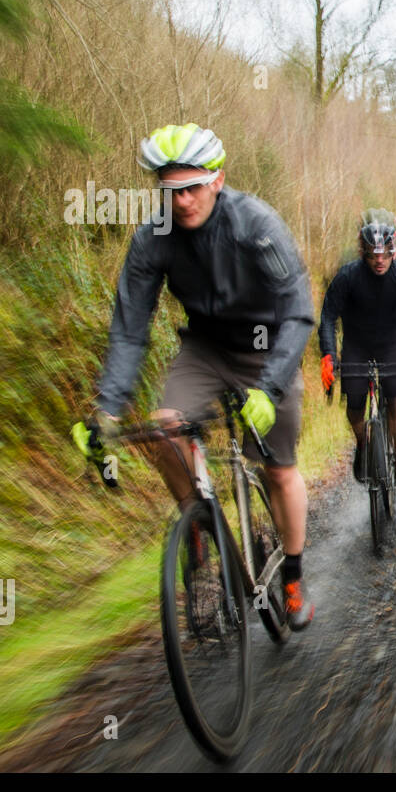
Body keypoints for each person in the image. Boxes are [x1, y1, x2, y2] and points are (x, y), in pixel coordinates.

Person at [72, 123, 317, 630]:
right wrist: (108, 410)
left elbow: (298, 309)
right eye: (170, 191)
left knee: (278, 467)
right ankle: (201, 550)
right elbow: (129, 331)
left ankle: (292, 576)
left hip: (267, 345)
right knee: (165, 428)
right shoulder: (152, 239)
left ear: (217, 180)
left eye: (191, 187)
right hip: (204, 348)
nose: (182, 202)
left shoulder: (255, 222)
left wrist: (270, 388)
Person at [318, 209, 396, 482]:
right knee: (355, 401)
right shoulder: (347, 276)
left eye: (385, 253)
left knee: (395, 394)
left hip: (390, 341)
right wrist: (328, 355)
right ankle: (363, 445)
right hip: (356, 344)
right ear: (363, 251)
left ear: (395, 249)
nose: (379, 260)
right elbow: (328, 316)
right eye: (372, 254)